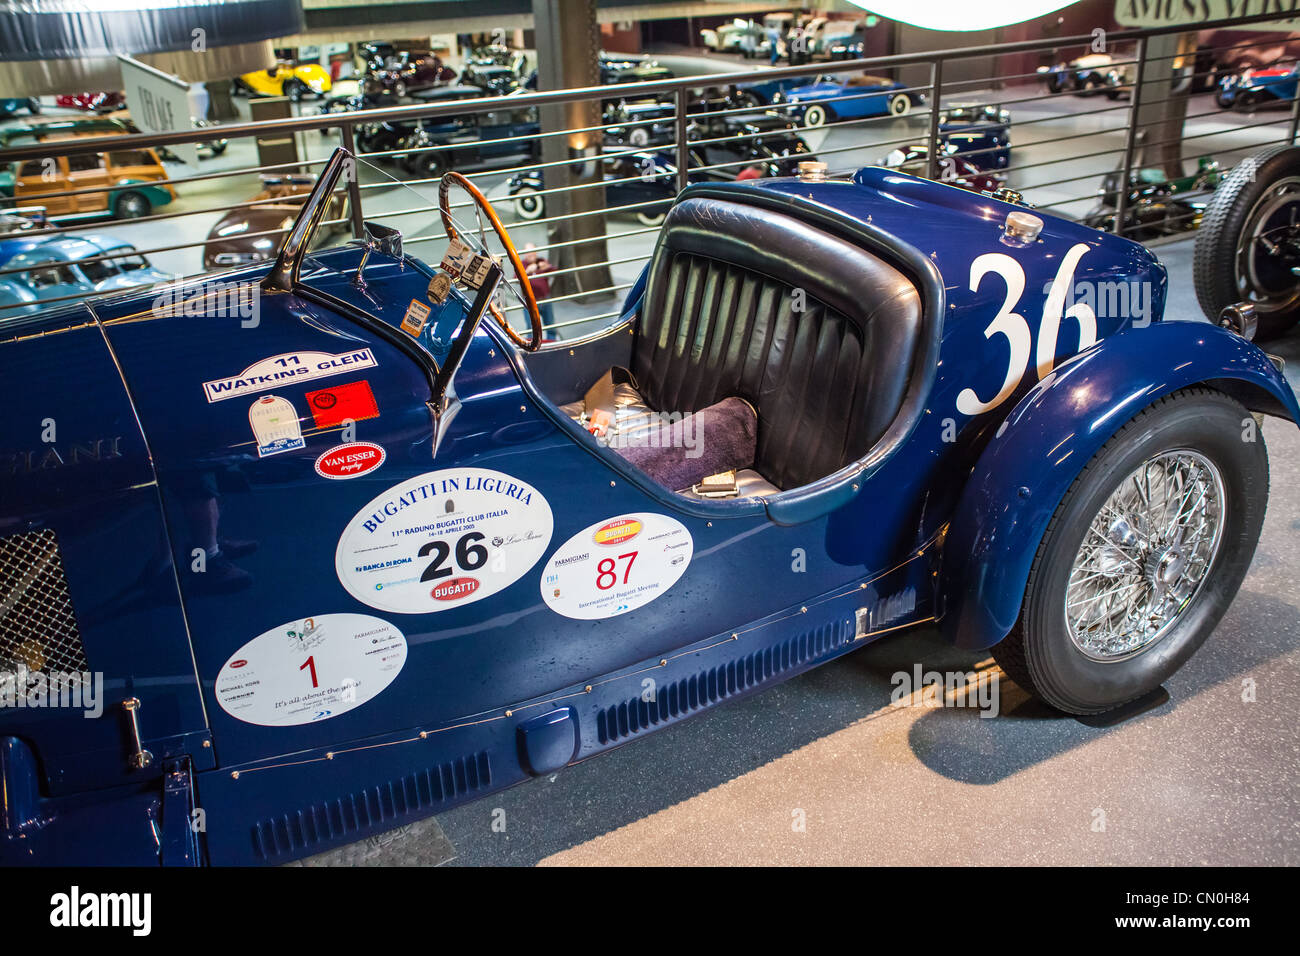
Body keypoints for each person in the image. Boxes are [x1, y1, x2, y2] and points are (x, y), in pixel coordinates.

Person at [521, 243, 556, 330]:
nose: (531, 254)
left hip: (545, 299)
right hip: (530, 302)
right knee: (531, 329)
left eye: (532, 251)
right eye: (528, 252)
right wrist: (527, 272)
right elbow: (516, 279)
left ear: (536, 252)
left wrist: (546, 267)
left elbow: (554, 271)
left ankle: (551, 342)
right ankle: (532, 343)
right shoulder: (521, 264)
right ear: (525, 254)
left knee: (551, 326)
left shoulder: (541, 261)